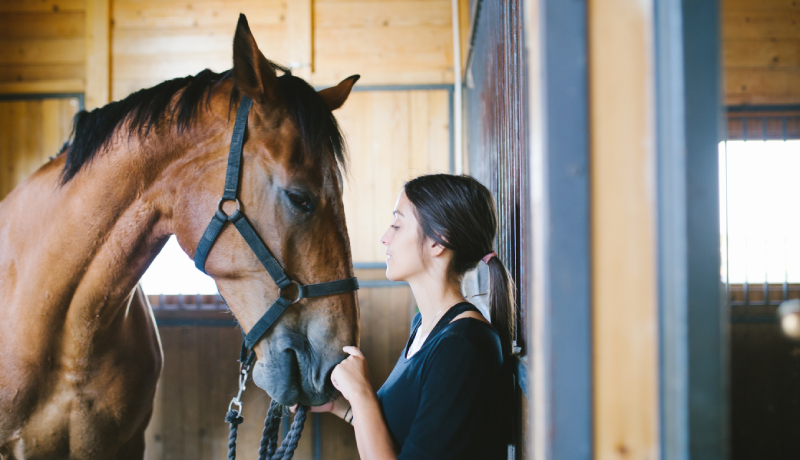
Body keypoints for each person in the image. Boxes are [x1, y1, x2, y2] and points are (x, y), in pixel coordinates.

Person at [311, 174, 515, 459]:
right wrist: (337, 405)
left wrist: (361, 393)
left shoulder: (462, 347)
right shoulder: (425, 326)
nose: (385, 237)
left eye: (397, 225)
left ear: (438, 241)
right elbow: (397, 436)